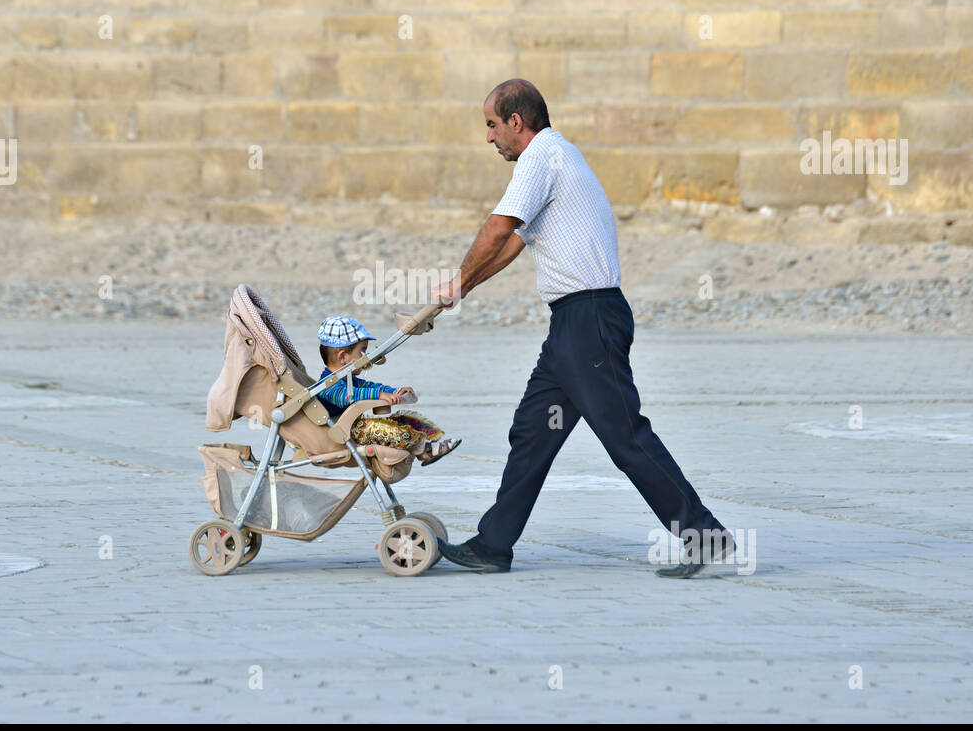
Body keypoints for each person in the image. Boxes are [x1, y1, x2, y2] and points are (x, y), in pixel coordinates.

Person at [427, 79, 734, 576]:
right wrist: (461, 290)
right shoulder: (557, 159)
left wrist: (458, 279)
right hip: (572, 326)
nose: (489, 138)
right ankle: (492, 545)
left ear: (516, 122)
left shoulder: (542, 157)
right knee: (533, 430)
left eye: (491, 125)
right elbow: (513, 244)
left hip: (590, 320)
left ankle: (705, 535)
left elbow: (497, 228)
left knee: (625, 437)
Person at [314, 315, 462, 465]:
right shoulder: (327, 385)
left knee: (403, 420)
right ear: (343, 357)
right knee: (385, 430)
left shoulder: (347, 378)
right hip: (343, 434)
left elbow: (370, 387)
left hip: (356, 428)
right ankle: (426, 450)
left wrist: (394, 391)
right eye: (362, 351)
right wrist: (379, 395)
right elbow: (348, 396)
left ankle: (429, 444)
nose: (365, 357)